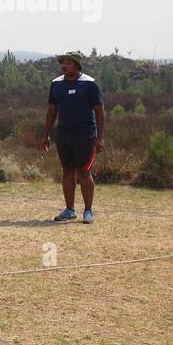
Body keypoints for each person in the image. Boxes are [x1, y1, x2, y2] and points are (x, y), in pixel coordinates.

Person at [41, 51, 105, 224]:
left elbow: (100, 112)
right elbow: (52, 111)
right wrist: (46, 135)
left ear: (77, 65)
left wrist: (100, 139)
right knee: (67, 171)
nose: (64, 66)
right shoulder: (56, 84)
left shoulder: (90, 84)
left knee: (84, 172)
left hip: (85, 135)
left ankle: (88, 211)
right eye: (62, 63)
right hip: (63, 135)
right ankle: (69, 210)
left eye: (68, 63)